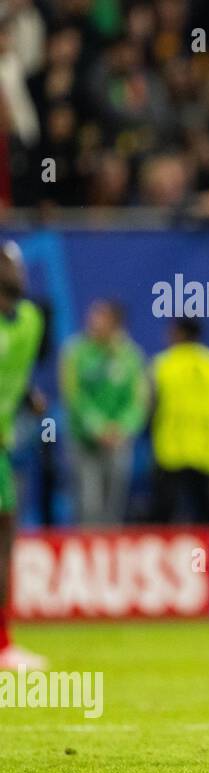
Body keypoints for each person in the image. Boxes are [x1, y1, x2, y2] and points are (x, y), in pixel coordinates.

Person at [0, 242, 47, 670]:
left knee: (5, 539)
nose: (15, 268)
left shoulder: (31, 320)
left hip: (2, 446)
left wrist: (28, 396)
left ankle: (2, 644)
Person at [60, 300, 148, 525]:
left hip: (118, 442)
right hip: (85, 442)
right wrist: (98, 427)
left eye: (100, 317)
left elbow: (138, 401)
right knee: (88, 506)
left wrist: (121, 428)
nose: (93, 321)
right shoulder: (76, 352)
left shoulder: (131, 356)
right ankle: (85, 551)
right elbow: (74, 395)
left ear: (115, 323)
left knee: (113, 507)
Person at [150, 317, 209, 523]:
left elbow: (150, 404)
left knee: (165, 515)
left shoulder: (163, 364)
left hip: (172, 449)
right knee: (208, 516)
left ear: (178, 333)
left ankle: (170, 555)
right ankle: (207, 556)